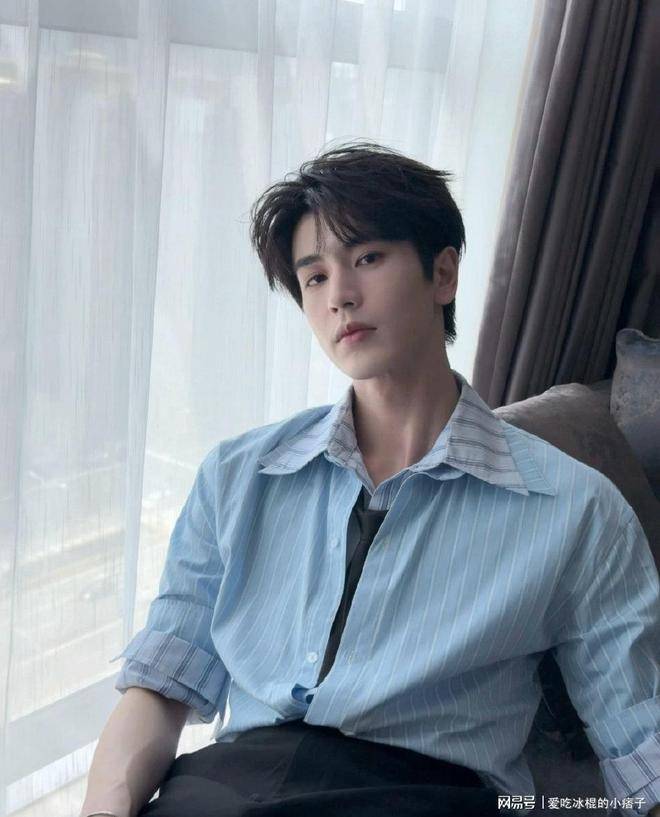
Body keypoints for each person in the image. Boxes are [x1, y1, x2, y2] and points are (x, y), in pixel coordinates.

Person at [79, 141, 660, 817]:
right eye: (314, 277)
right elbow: (160, 686)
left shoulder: (576, 509)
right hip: (224, 788)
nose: (340, 296)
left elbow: (640, 748)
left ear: (443, 274)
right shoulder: (237, 478)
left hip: (423, 794)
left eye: (368, 259)